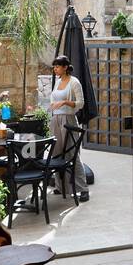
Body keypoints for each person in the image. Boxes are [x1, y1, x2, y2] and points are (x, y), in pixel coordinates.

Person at [48, 54, 89, 200]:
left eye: (57, 66)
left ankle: (83, 189)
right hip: (56, 120)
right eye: (54, 67)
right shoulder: (58, 81)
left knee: (72, 154)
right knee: (57, 153)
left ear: (65, 67)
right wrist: (53, 106)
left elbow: (81, 103)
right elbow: (53, 99)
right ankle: (61, 186)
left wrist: (65, 102)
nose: (55, 69)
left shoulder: (74, 82)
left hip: (69, 120)